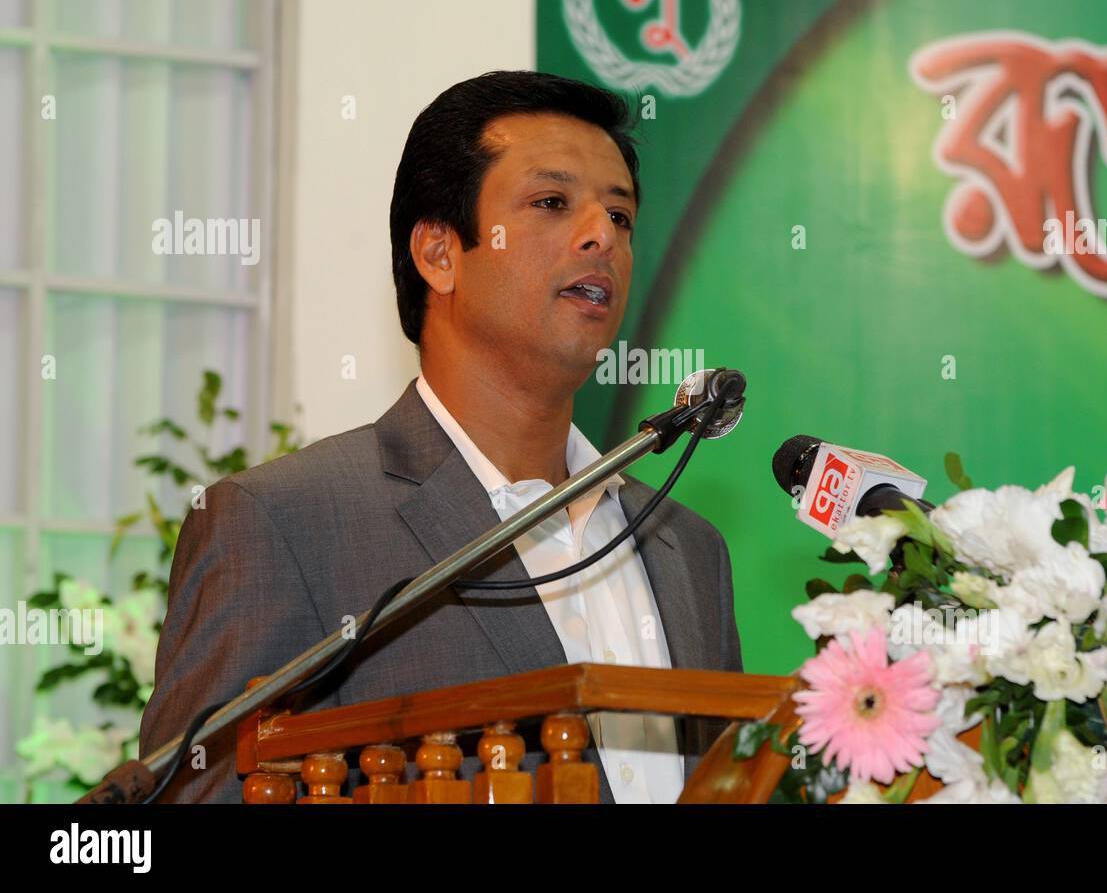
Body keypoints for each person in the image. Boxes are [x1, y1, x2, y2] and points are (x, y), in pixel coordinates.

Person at [138, 70, 743, 803]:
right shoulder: (285, 525)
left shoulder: (688, 547)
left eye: (620, 217)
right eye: (552, 203)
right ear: (439, 253)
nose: (601, 237)